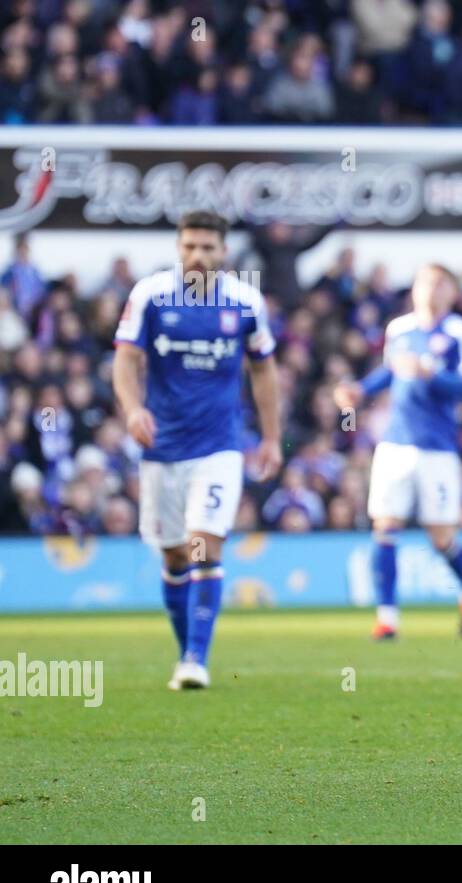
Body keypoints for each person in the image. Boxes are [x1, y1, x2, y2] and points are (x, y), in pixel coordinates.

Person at [112, 211, 282, 690]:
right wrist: (131, 410)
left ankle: (195, 659)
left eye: (207, 247)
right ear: (178, 248)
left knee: (204, 543)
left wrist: (271, 437)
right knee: (173, 557)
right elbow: (125, 360)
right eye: (189, 246)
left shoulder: (245, 302)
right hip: (162, 448)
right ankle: (187, 651)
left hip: (219, 447)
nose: (197, 256)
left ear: (224, 252)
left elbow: (264, 371)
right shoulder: (149, 295)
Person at [333, 264, 462, 639]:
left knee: (441, 537)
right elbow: (390, 372)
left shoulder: (460, 333)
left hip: (438, 448)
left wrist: (431, 374)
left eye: (440, 284)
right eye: (425, 282)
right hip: (395, 442)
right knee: (384, 525)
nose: (431, 290)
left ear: (452, 292)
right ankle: (387, 617)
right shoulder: (398, 329)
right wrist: (360, 391)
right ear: (415, 289)